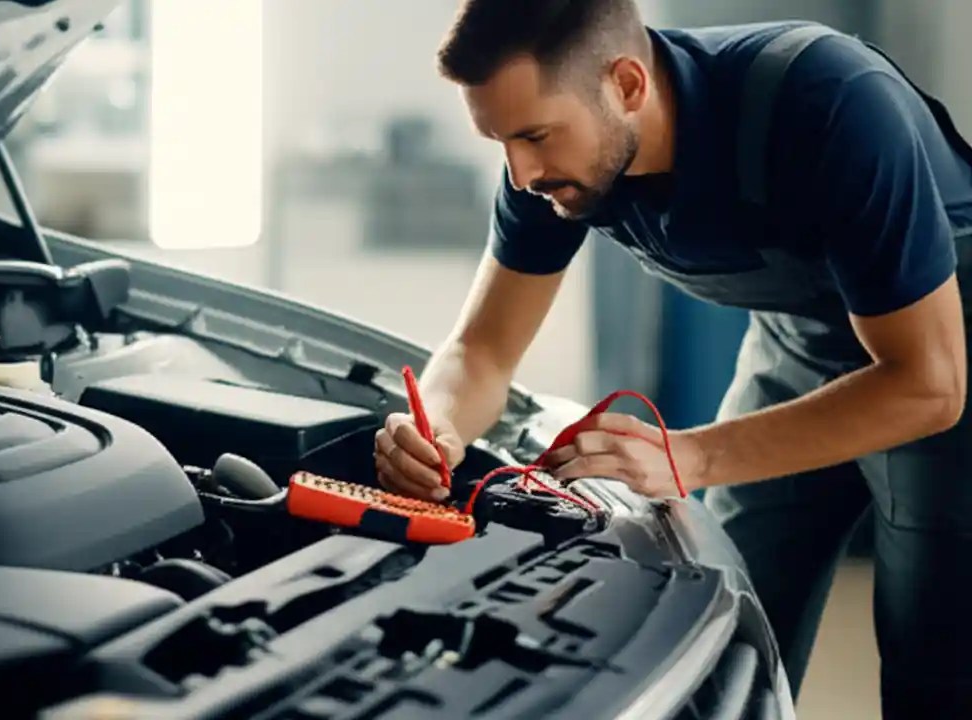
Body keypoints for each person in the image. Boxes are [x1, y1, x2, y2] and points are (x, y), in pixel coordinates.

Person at [372, 0, 972, 716]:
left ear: (627, 85)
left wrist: (691, 457)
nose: (521, 171)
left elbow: (930, 387)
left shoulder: (830, 102)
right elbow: (481, 350)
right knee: (719, 621)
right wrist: (435, 426)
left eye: (534, 136)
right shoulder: (548, 166)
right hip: (800, 338)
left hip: (942, 352)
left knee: (937, 661)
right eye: (500, 141)